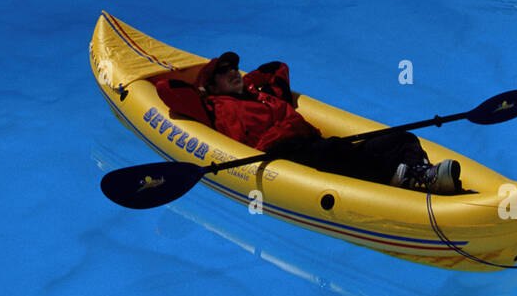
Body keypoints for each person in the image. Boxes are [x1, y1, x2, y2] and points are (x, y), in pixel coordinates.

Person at [197, 52, 461, 195]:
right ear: (211, 86)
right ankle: (406, 178)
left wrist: (251, 80)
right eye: (223, 71)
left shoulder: (263, 94)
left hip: (313, 143)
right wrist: (205, 94)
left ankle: (422, 174)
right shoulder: (220, 108)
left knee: (401, 137)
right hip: (283, 156)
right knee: (333, 151)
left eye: (234, 67)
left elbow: (278, 67)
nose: (233, 72)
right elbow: (170, 90)